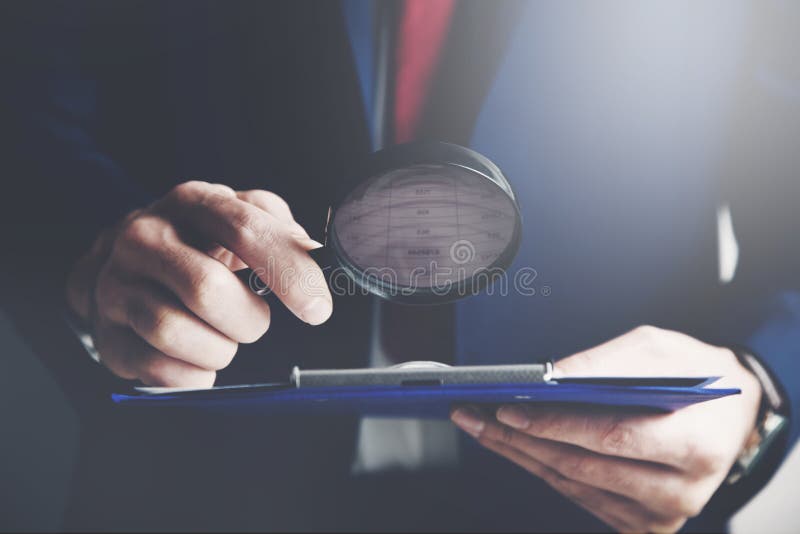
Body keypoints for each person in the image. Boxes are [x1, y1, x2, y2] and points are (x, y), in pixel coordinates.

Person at [1, 0, 797, 531]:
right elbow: (24, 110)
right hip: (196, 492)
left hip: (600, 505)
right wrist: (95, 263)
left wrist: (759, 393)